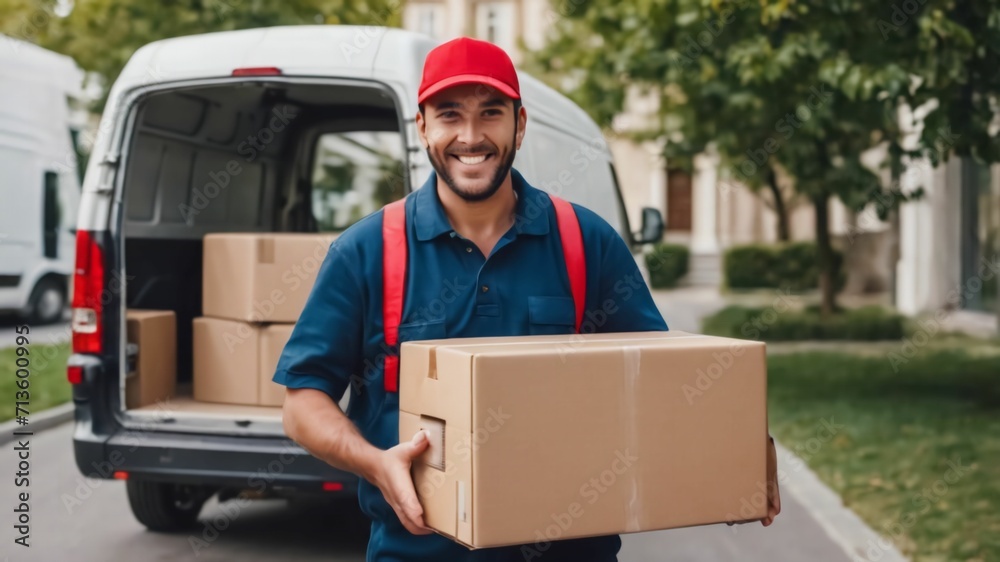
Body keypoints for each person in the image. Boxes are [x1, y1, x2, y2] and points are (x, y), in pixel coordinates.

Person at [274, 36, 779, 562]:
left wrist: (745, 447)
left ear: (519, 124)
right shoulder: (366, 251)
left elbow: (659, 378)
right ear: (422, 127)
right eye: (450, 114)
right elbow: (302, 403)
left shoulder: (587, 241)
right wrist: (376, 464)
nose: (471, 136)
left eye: (491, 113)